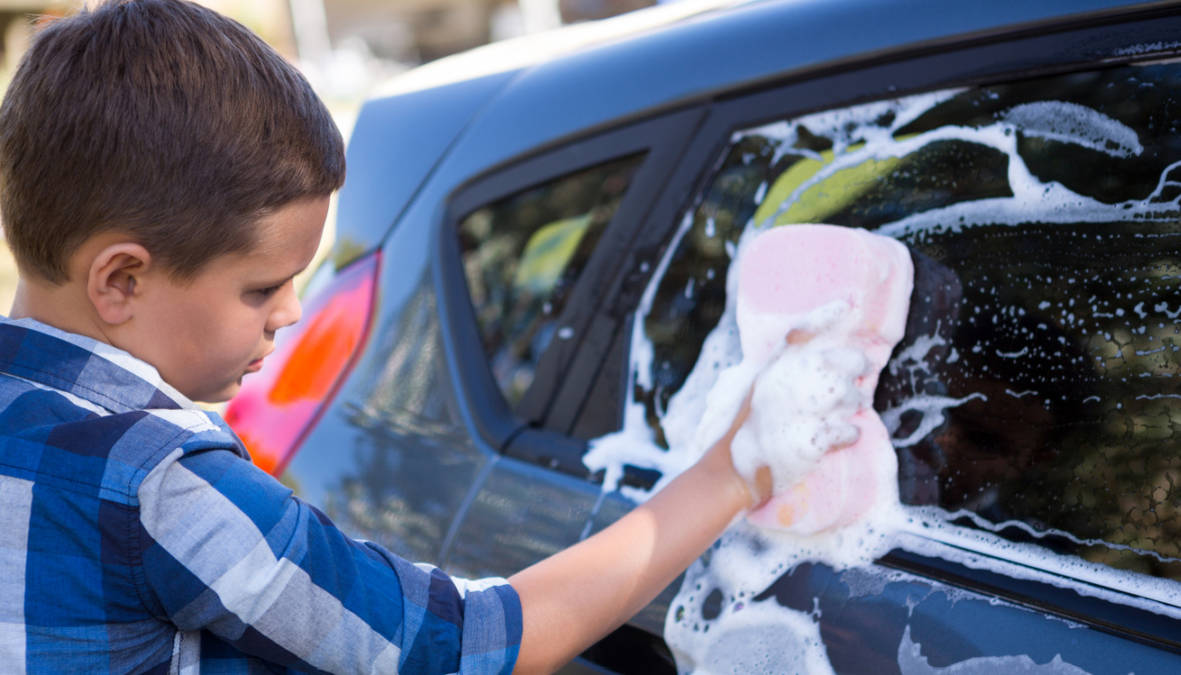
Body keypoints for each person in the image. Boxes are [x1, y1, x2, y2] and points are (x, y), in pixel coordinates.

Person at [0, 1, 767, 673]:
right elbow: (480, 644)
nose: (292, 311)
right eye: (261, 287)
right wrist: (736, 470)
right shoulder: (168, 487)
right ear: (121, 282)